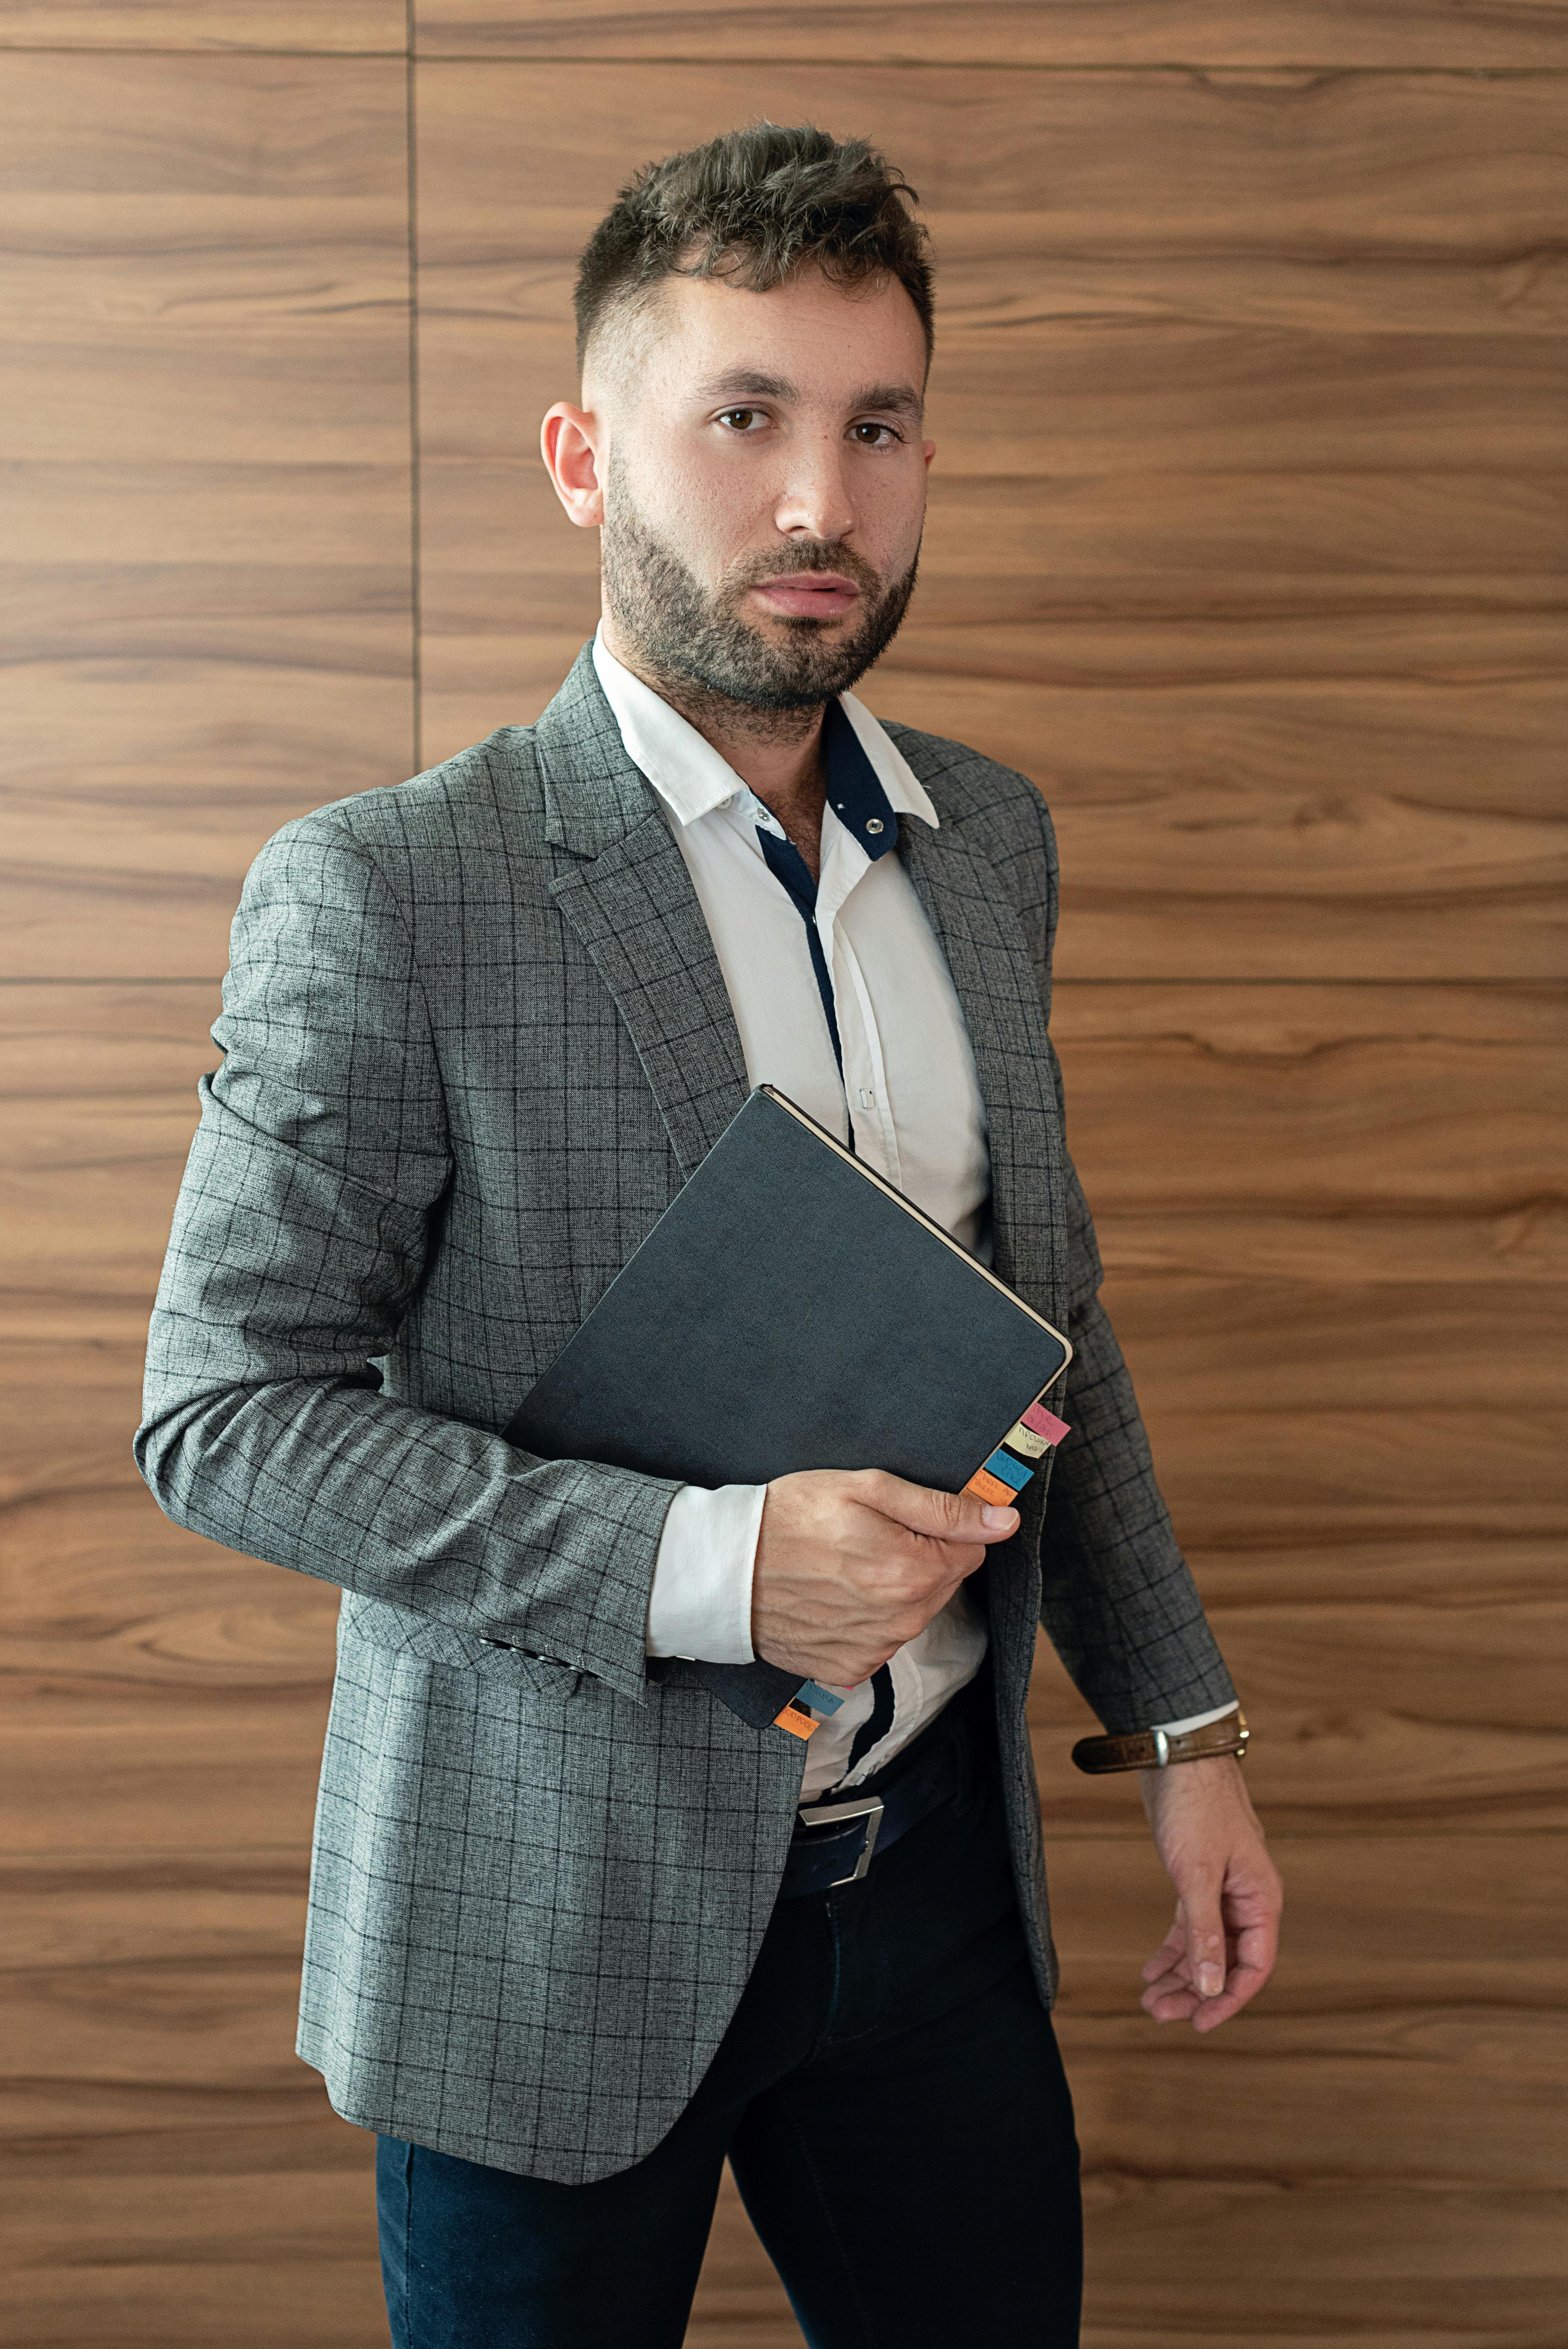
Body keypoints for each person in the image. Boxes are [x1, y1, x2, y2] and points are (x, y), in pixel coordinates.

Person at [137, 122, 1281, 2349]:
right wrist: (711, 1568)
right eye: (743, 417)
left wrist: (1187, 1730)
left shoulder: (991, 841)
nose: (819, 502)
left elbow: (1051, 1321)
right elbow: (226, 1415)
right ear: (585, 458)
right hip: (539, 1915)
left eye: (880, 427)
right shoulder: (392, 889)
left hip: (935, 1889)